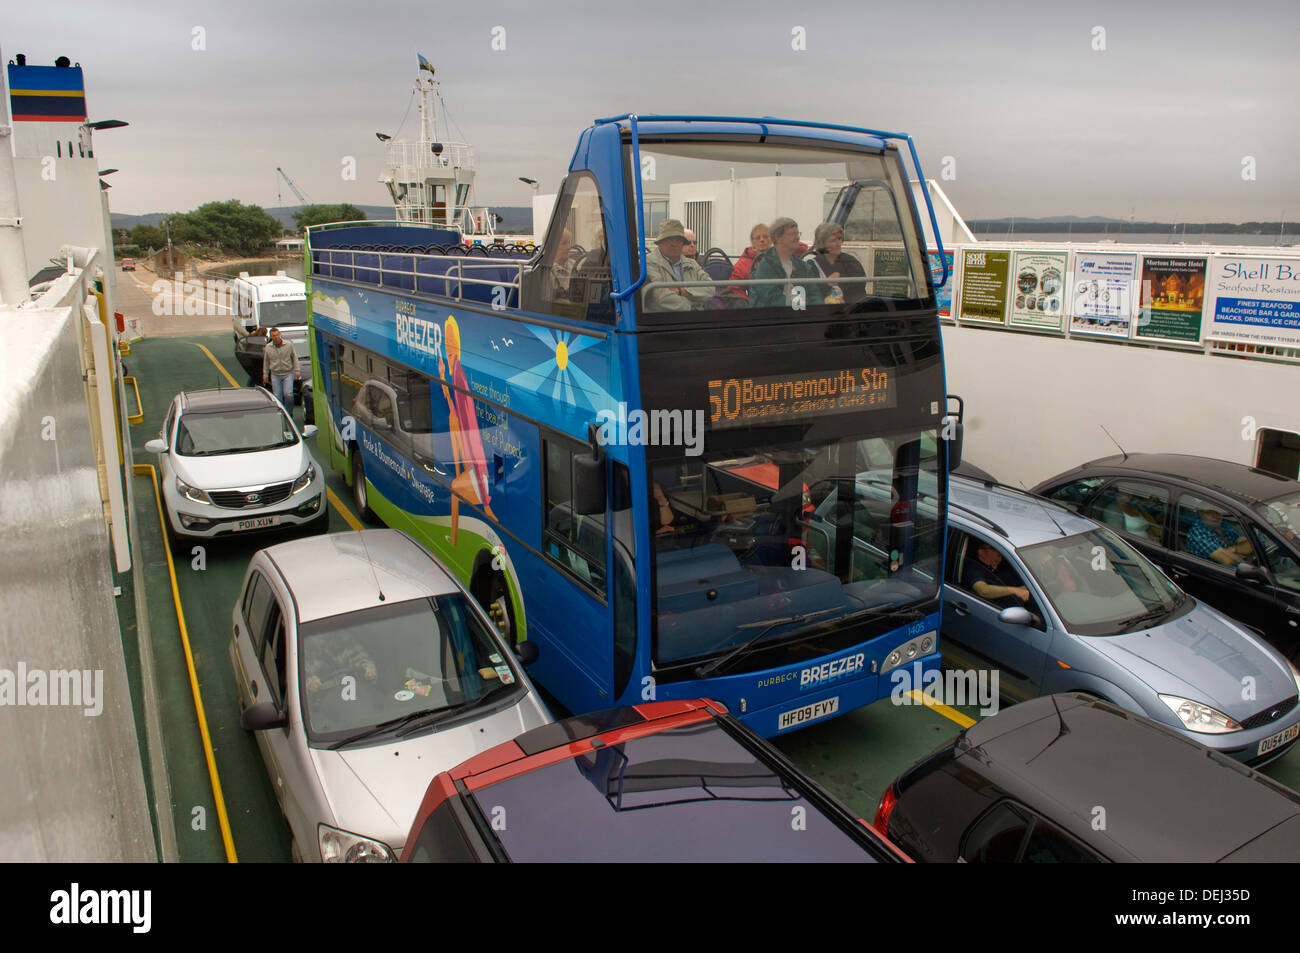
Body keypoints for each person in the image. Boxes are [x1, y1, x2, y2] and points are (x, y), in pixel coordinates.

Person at [748, 217, 825, 309]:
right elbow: (773, 299)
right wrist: (802, 307)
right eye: (792, 234)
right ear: (778, 238)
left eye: (798, 233)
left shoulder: (803, 267)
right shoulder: (766, 266)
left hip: (802, 317)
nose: (797, 237)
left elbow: (815, 295)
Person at [644, 219, 713, 311]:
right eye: (669, 239)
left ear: (683, 243)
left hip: (697, 320)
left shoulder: (692, 263)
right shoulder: (648, 263)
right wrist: (691, 305)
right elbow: (660, 297)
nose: (674, 244)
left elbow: (710, 289)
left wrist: (682, 291)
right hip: (663, 321)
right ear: (659, 243)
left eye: (678, 240)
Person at [304, 629, 377, 694]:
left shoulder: (343, 641)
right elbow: (300, 685)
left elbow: (360, 657)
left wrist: (368, 669)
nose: (321, 635)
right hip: (324, 702)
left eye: (322, 630)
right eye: (315, 631)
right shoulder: (302, 655)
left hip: (355, 693)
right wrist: (310, 684)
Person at [961, 541, 1031, 609]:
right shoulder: (974, 568)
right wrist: (1015, 591)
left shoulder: (1006, 565)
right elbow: (982, 590)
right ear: (981, 551)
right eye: (994, 548)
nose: (999, 551)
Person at [811, 221, 866, 304]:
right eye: (833, 240)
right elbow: (809, 292)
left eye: (840, 239)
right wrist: (827, 284)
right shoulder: (812, 265)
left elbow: (860, 286)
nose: (838, 244)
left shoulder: (851, 261)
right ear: (822, 244)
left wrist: (841, 281)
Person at [1187, 507, 1252, 565]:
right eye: (1210, 512)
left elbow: (1251, 545)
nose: (1215, 515)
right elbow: (1228, 560)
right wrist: (1242, 552)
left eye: (1218, 512)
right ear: (1201, 513)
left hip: (1242, 566)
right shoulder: (1198, 532)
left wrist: (1233, 549)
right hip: (1213, 572)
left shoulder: (1223, 525)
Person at [728, 223, 772, 300]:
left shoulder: (780, 258)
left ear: (771, 240)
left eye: (765, 237)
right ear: (752, 242)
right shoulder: (743, 264)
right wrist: (749, 302)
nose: (762, 240)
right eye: (758, 238)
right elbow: (734, 288)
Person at [262, 326, 300, 413]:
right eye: (273, 336)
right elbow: (266, 361)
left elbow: (294, 358)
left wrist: (297, 371)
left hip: (288, 373)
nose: (276, 337)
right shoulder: (268, 347)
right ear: (271, 337)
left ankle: (289, 412)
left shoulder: (288, 345)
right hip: (275, 374)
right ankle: (281, 412)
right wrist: (265, 374)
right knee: (277, 396)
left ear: (280, 335)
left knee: (288, 394)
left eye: (277, 335)